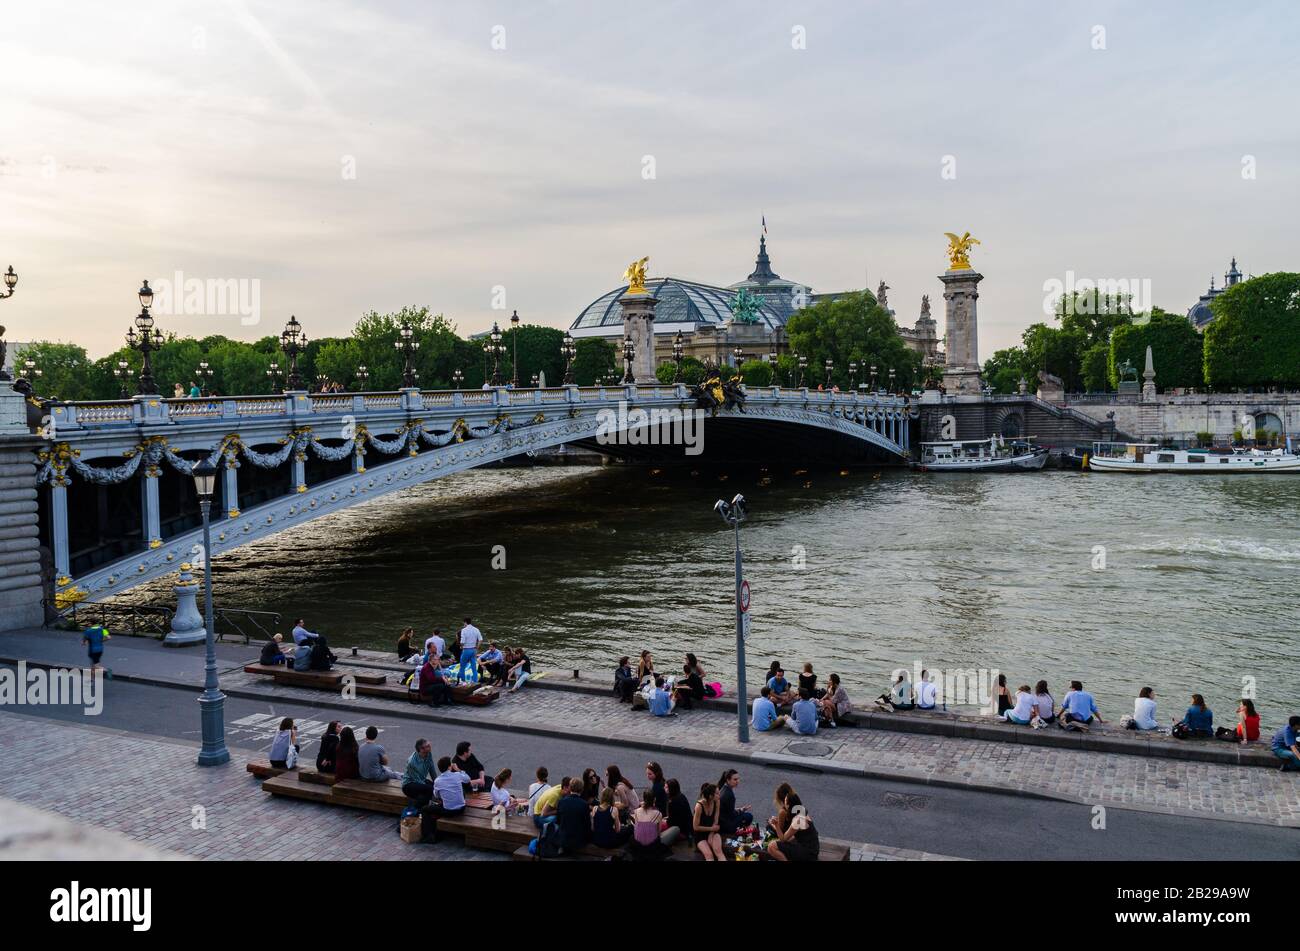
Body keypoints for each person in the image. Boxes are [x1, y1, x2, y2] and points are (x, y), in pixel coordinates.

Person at [421, 757, 471, 843]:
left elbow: (436, 795)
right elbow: (467, 779)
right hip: (461, 807)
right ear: (449, 767)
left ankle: (428, 835)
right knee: (459, 788)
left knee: (425, 809)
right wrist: (458, 769)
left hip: (449, 810)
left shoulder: (438, 781)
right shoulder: (457, 775)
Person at [767, 785, 819, 862]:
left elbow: (783, 839)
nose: (784, 805)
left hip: (808, 854)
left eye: (785, 802)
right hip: (813, 849)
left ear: (789, 805)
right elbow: (795, 835)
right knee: (782, 842)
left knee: (771, 846)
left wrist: (776, 824)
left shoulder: (798, 820)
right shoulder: (801, 810)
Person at [626, 790, 671, 860]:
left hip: (638, 846)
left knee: (631, 837)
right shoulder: (658, 814)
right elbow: (658, 833)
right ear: (654, 799)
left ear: (644, 799)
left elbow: (636, 830)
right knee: (675, 829)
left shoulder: (636, 811)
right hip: (652, 847)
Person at [555, 777, 591, 853]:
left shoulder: (561, 802)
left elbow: (558, 821)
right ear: (582, 789)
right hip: (578, 841)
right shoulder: (584, 804)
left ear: (570, 788)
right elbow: (587, 825)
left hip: (563, 838)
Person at [692, 783, 724, 861]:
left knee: (718, 852)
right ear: (710, 796)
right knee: (709, 855)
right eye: (717, 793)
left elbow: (716, 820)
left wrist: (711, 833)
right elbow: (695, 827)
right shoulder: (699, 806)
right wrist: (711, 829)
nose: (719, 795)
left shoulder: (717, 801)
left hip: (713, 830)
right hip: (700, 833)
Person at [402, 738, 437, 807]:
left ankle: (425, 805)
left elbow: (432, 770)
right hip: (409, 784)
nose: (430, 747)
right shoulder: (411, 763)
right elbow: (417, 780)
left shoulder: (428, 754)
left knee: (434, 787)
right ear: (421, 749)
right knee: (430, 789)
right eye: (428, 746)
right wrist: (431, 789)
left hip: (421, 780)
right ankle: (420, 807)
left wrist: (437, 783)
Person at [718, 769, 753, 835]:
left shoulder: (723, 788)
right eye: (735, 779)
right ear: (728, 780)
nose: (737, 781)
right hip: (726, 826)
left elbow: (728, 810)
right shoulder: (729, 794)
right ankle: (740, 832)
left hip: (722, 821)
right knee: (749, 816)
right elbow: (732, 815)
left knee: (744, 814)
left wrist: (740, 810)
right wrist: (741, 810)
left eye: (738, 779)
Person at [664, 778, 692, 846]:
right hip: (688, 829)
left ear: (672, 789)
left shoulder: (672, 802)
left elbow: (672, 822)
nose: (664, 788)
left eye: (666, 787)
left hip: (681, 831)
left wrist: (665, 820)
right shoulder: (682, 796)